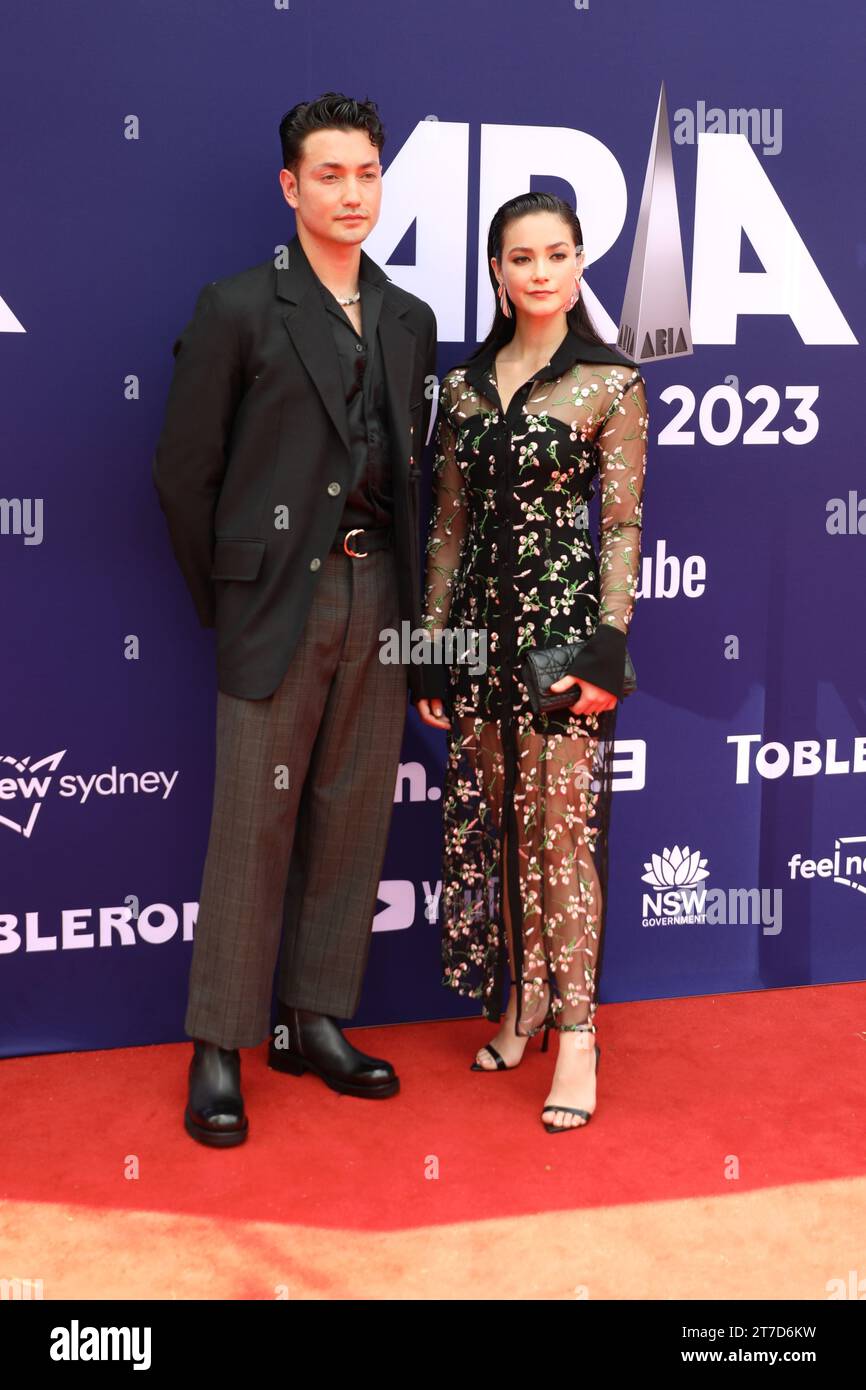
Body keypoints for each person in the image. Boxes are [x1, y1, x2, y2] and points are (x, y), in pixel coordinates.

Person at [152, 92, 437, 1147]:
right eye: (330, 175)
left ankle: (312, 1020)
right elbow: (185, 476)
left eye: (366, 173)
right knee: (251, 830)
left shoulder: (408, 319)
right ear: (290, 187)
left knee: (353, 813)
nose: (351, 193)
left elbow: (409, 484)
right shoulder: (237, 306)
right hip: (278, 600)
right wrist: (234, 594)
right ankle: (220, 1045)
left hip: (380, 598)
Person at [415, 192, 648, 1133]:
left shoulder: (610, 382)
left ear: (581, 263)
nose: (541, 271)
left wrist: (606, 654)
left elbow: (623, 529)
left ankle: (580, 1033)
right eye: (522, 257)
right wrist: (433, 653)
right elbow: (447, 530)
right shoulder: (464, 387)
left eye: (557, 254)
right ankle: (522, 1004)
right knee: (494, 824)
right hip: (478, 639)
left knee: (561, 837)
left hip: (562, 644)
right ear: (498, 272)